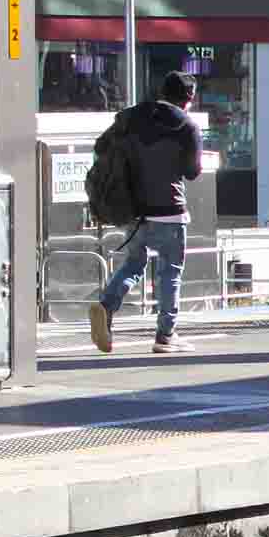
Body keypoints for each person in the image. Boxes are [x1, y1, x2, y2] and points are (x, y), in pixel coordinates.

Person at [93, 72, 202, 355]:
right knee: (170, 273)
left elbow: (101, 147)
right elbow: (192, 172)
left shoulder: (132, 118)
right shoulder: (186, 125)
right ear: (188, 98)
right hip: (170, 210)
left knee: (133, 264)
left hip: (134, 210)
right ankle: (165, 335)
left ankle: (106, 306)